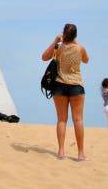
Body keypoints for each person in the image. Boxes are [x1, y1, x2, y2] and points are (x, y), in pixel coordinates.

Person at [41, 23, 89, 161]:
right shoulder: (80, 49)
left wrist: (56, 41)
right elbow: (86, 60)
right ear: (76, 35)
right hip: (76, 85)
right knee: (78, 120)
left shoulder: (58, 48)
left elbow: (44, 57)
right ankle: (80, 153)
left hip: (59, 85)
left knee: (62, 120)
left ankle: (61, 151)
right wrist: (75, 41)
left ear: (64, 34)